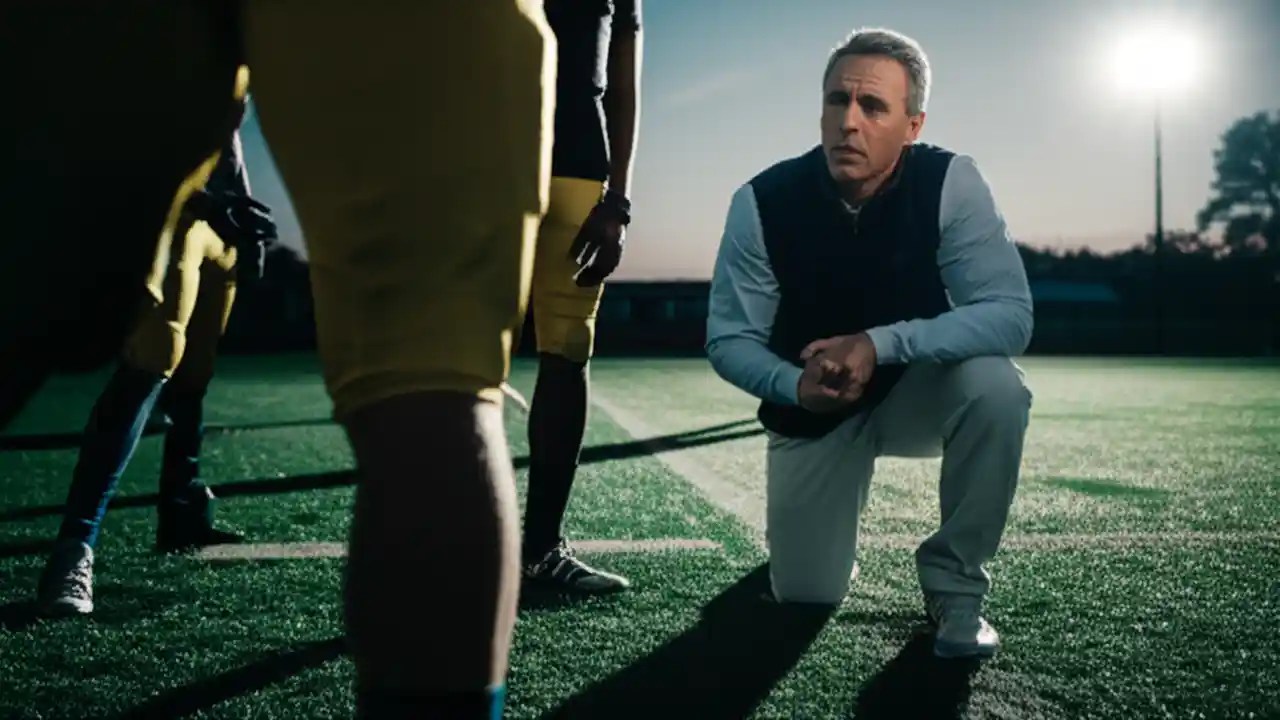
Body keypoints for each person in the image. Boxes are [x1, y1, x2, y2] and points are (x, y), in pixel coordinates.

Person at [705, 27, 1034, 660]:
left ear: (912, 126)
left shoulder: (951, 183)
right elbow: (729, 338)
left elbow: (1010, 316)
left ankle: (956, 588)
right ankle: (816, 536)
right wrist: (792, 385)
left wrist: (879, 344)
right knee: (807, 592)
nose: (848, 122)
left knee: (997, 388)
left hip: (914, 394)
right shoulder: (762, 201)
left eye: (873, 106)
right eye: (836, 101)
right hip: (816, 407)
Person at [37, 120, 274, 617]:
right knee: (155, 354)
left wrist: (243, 216)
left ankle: (181, 509)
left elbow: (227, 136)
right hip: (184, 217)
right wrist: (205, 200)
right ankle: (74, 548)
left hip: (223, 228)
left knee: (196, 373)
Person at [519, 0, 643, 593]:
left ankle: (540, 550)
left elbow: (622, 82)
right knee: (462, 353)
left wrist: (618, 198)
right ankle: (454, 542)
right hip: (487, 160)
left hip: (577, 167)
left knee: (569, 348)